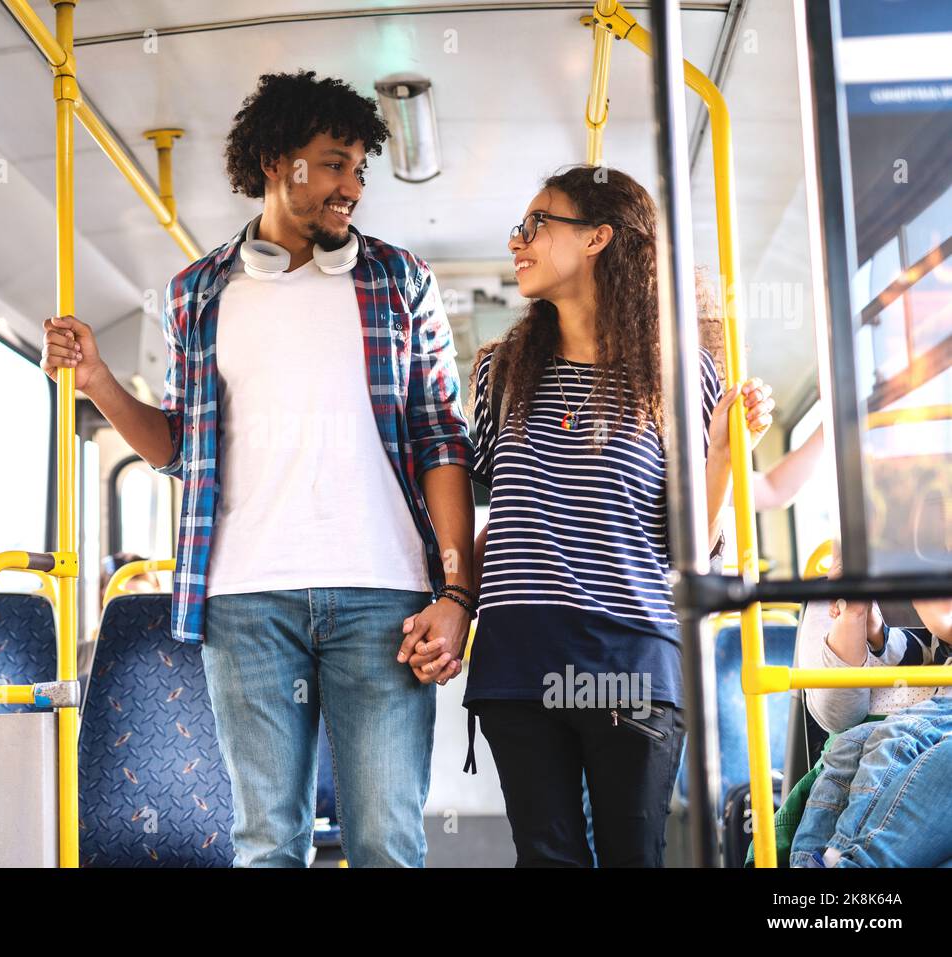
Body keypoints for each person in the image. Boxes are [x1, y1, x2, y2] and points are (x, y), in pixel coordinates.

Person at [41, 70, 475, 867]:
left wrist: (456, 591)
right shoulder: (196, 294)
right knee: (265, 843)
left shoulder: (399, 281)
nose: (352, 187)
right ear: (279, 161)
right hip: (244, 598)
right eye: (335, 164)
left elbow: (441, 440)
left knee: (387, 841)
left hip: (384, 594)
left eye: (360, 171)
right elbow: (179, 448)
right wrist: (99, 382)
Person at [422, 165, 774, 867]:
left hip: (630, 655)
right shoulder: (499, 371)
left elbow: (687, 550)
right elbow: (507, 515)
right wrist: (456, 597)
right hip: (519, 655)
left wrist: (727, 456)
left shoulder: (682, 377)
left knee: (630, 855)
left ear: (598, 238)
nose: (517, 242)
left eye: (535, 224)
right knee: (547, 857)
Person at [789, 562, 952, 867]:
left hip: (930, 719)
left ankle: (843, 857)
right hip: (924, 713)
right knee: (848, 746)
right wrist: (874, 631)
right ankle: (807, 861)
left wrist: (943, 619)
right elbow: (924, 652)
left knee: (900, 735)